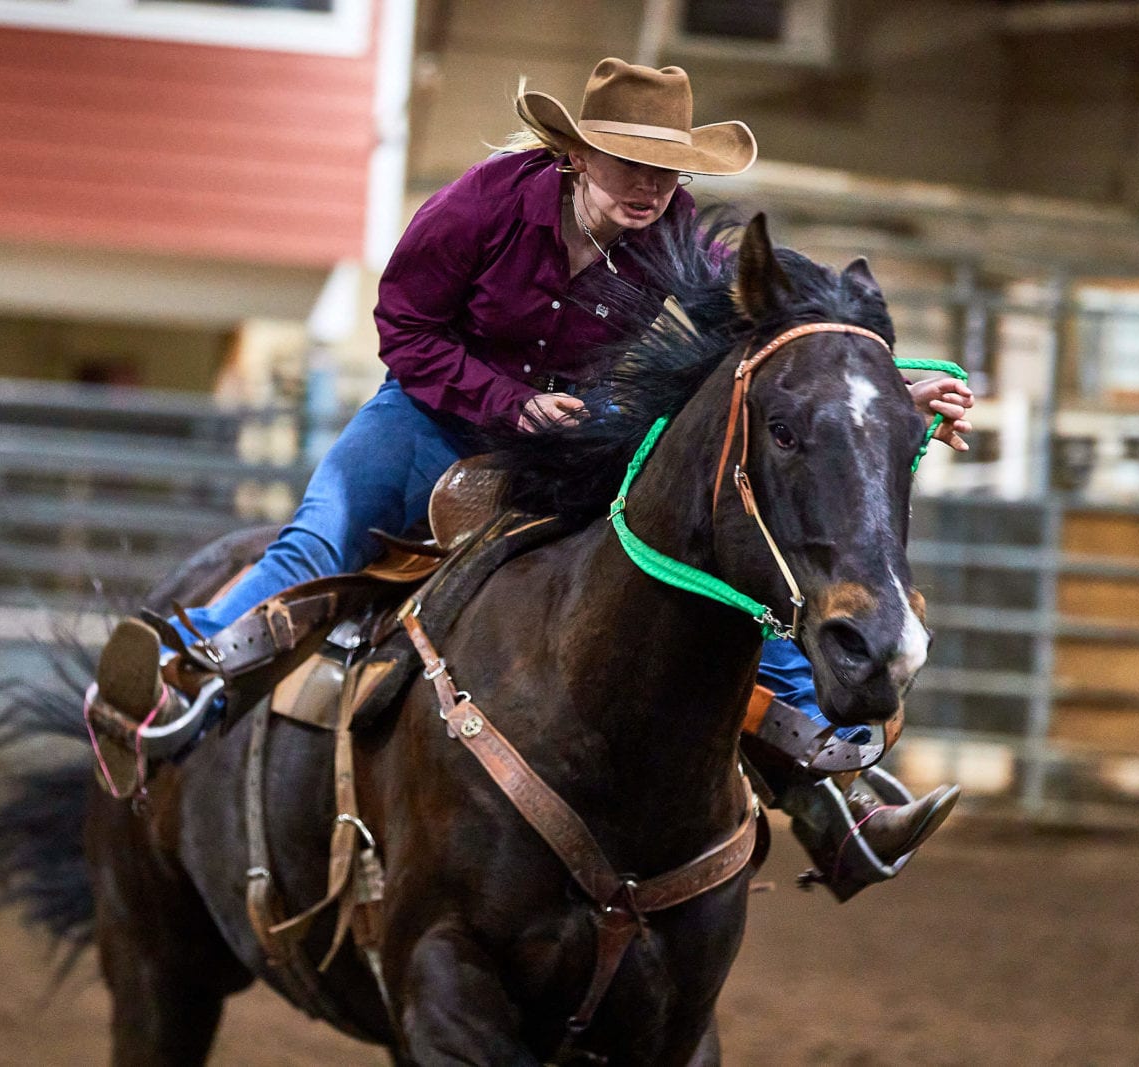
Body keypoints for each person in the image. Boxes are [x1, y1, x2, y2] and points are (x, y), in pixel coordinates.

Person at [94, 58, 971, 900]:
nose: (652, 187)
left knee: (702, 563)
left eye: (667, 169)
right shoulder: (481, 204)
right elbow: (404, 323)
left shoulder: (672, 229)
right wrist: (508, 403)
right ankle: (176, 679)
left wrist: (882, 386)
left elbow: (773, 330)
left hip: (575, 429)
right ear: (577, 154)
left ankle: (832, 793)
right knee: (325, 536)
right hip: (429, 416)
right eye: (630, 163)